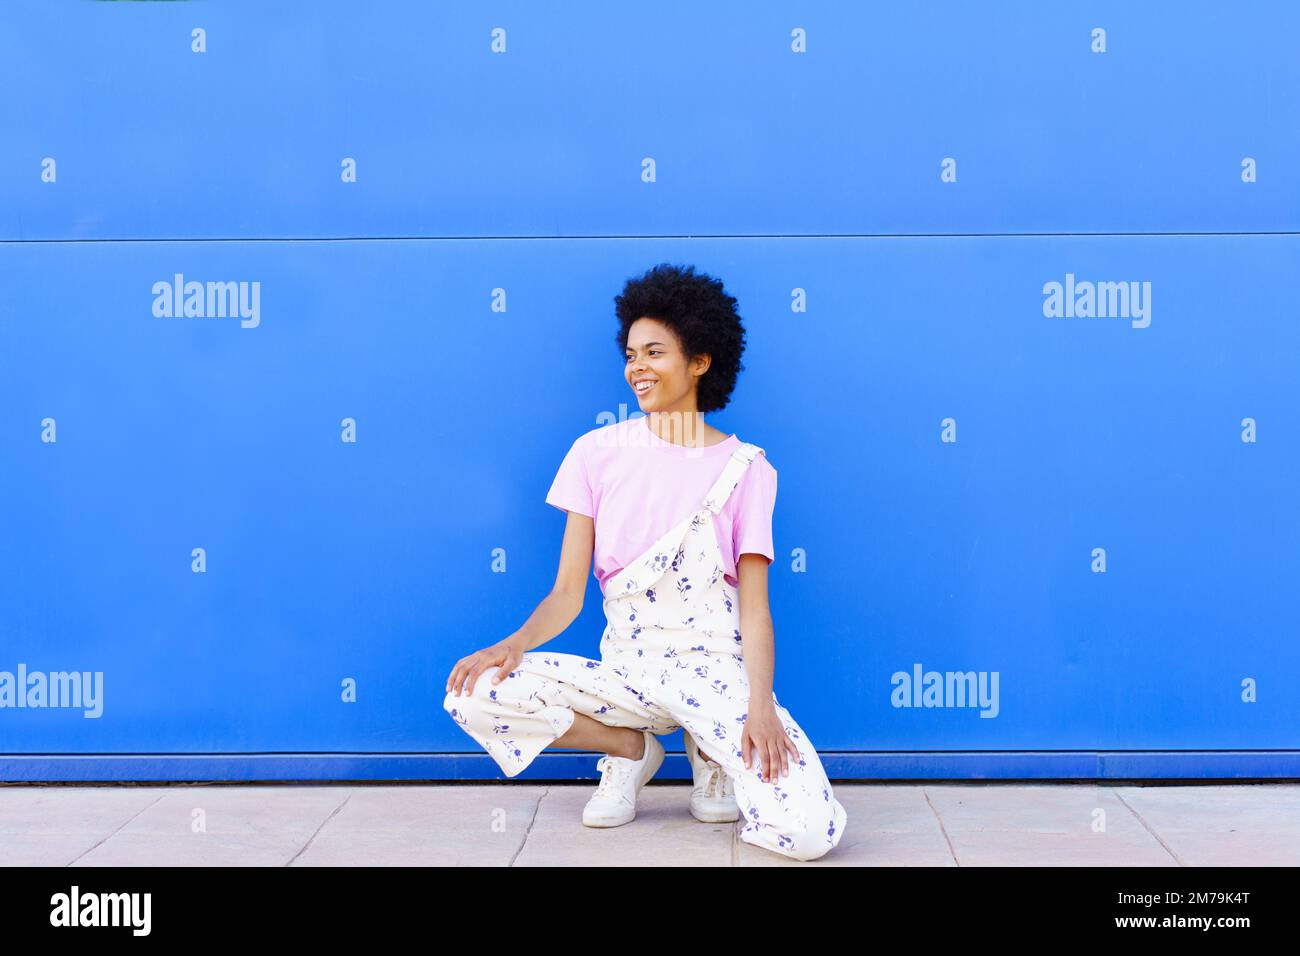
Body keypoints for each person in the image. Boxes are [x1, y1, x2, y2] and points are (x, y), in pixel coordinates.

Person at [444, 263, 847, 861]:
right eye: (631, 353)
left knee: (809, 832)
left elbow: (756, 611)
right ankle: (631, 750)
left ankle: (712, 751)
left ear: (700, 362)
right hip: (627, 670)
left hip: (713, 673)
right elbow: (566, 595)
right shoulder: (595, 454)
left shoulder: (748, 470)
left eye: (654, 352)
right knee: (472, 691)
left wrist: (758, 709)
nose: (637, 367)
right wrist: (513, 644)